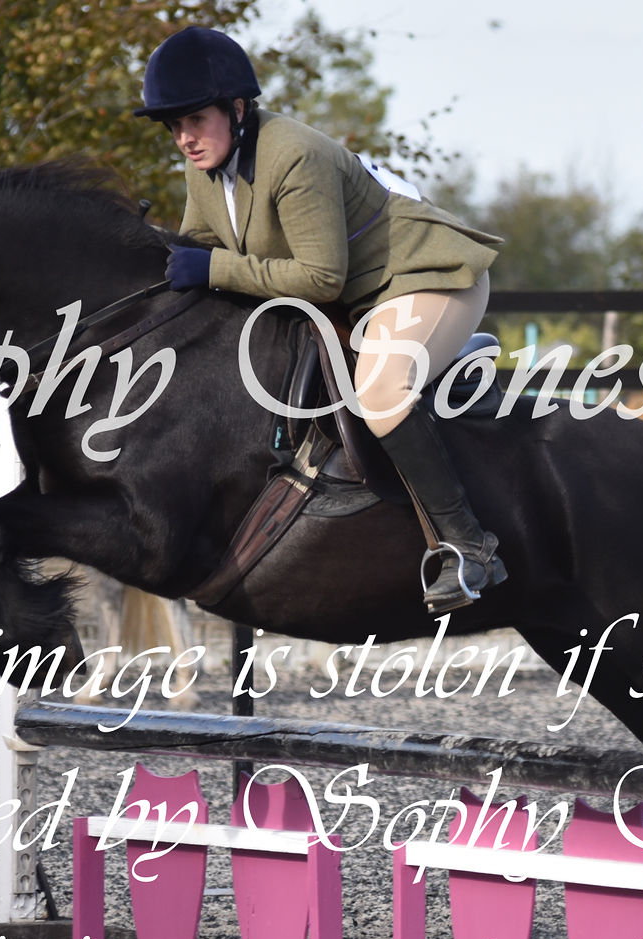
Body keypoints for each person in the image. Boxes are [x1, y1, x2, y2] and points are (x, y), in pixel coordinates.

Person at [134, 26, 506, 616]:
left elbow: (318, 279)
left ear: (236, 108)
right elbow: (197, 251)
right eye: (173, 125)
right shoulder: (205, 170)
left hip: (427, 276)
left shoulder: (294, 154)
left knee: (381, 393)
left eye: (194, 120)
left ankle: (470, 547)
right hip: (361, 301)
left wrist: (210, 267)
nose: (183, 138)